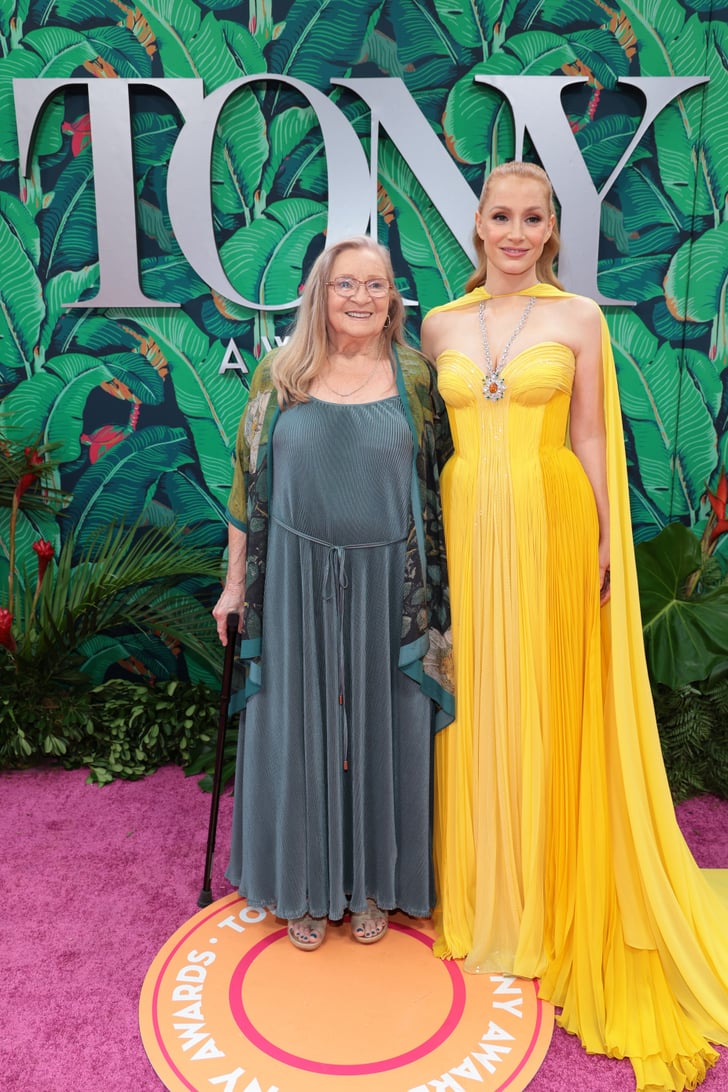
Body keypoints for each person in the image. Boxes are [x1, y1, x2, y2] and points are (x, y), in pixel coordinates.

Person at [421, 161, 728, 1090]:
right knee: (478, 702)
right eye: (500, 216)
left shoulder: (580, 318)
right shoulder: (437, 324)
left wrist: (602, 537)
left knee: (548, 701)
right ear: (476, 226)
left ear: (552, 230)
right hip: (468, 530)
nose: (515, 232)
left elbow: (592, 432)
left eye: (533, 218)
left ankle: (551, 889)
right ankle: (485, 889)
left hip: (554, 525)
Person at [213, 235, 454, 952]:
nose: (360, 297)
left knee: (388, 722)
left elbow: (442, 483)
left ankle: (377, 881)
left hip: (392, 582)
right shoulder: (279, 374)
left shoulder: (416, 376)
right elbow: (244, 488)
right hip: (291, 576)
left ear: (393, 299)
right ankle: (306, 887)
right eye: (345, 284)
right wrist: (233, 588)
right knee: (298, 722)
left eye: (375, 285)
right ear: (320, 293)